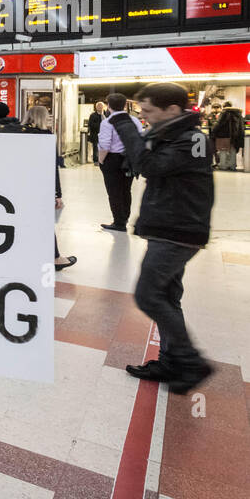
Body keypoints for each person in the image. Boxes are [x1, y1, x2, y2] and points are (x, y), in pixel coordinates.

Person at [113, 82, 214, 393]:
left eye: (148, 111)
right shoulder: (170, 134)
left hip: (179, 231)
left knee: (147, 296)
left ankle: (191, 360)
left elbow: (148, 165)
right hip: (168, 227)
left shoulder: (193, 139)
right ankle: (172, 361)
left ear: (172, 110)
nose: (144, 117)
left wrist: (122, 122)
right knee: (168, 296)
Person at [22, 105, 76, 271]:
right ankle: (55, 258)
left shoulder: (18, 134)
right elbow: (52, 168)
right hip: (40, 187)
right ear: (42, 118)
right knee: (45, 223)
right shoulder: (45, 136)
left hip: (21, 186)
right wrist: (57, 194)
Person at [97, 93, 140, 232]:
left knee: (114, 192)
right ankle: (124, 219)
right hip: (130, 159)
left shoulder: (107, 122)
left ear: (108, 106)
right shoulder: (134, 120)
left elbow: (105, 145)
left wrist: (101, 161)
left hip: (112, 160)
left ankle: (118, 222)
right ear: (124, 105)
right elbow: (140, 138)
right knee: (126, 190)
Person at [211, 101, 244, 171]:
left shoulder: (224, 112)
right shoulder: (238, 113)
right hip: (235, 136)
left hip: (223, 135)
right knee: (233, 151)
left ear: (224, 106)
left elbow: (218, 124)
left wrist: (213, 130)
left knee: (223, 151)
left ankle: (223, 166)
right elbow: (241, 126)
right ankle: (232, 166)